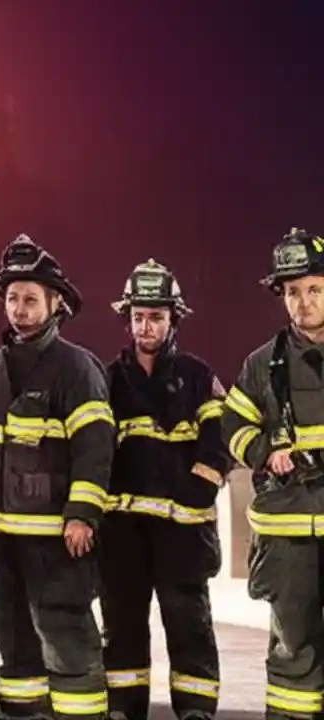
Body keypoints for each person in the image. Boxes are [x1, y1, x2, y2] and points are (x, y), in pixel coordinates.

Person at [0, 235, 112, 720]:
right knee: (12, 640)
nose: (19, 309)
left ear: (56, 304)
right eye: (12, 299)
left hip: (54, 538)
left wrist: (83, 515)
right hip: (0, 537)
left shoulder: (76, 367)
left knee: (66, 636)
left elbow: (95, 448)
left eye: (30, 299)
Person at [101, 259, 226, 720]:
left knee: (189, 628)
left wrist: (196, 494)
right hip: (124, 534)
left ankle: (195, 710)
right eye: (138, 316)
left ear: (174, 318)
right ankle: (124, 709)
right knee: (123, 629)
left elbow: (218, 447)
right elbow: (98, 451)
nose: (145, 326)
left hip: (183, 535)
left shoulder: (197, 376)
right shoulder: (110, 381)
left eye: (155, 316)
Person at [222, 228, 324, 720]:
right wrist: (265, 451)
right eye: (292, 292)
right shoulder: (262, 364)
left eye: (313, 289)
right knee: (293, 652)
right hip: (286, 535)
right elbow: (233, 423)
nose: (303, 302)